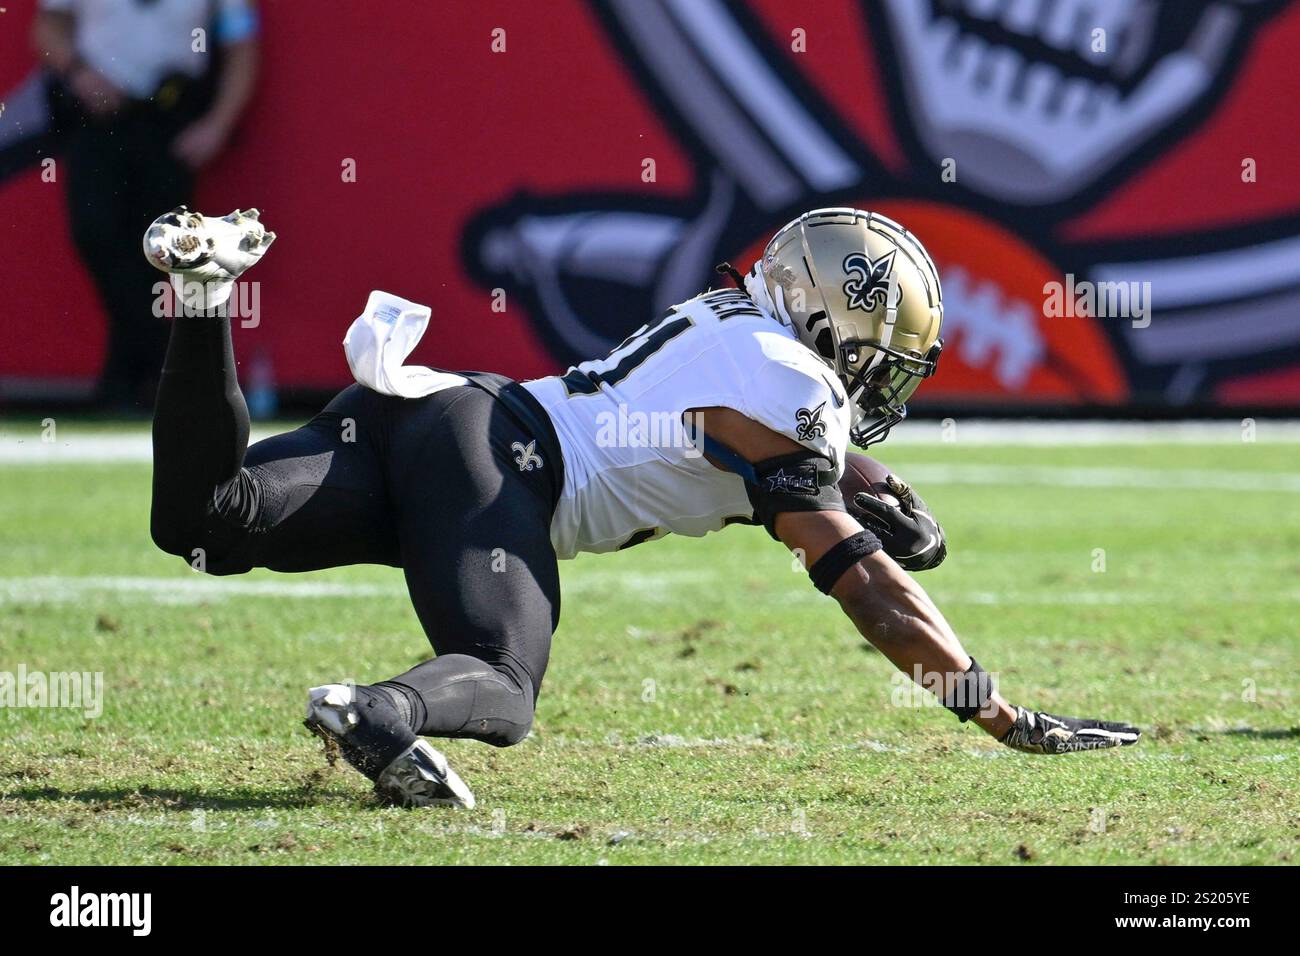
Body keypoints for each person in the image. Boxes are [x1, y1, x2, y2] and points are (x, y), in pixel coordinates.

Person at [143, 205, 1139, 808]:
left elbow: (716, 435)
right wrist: (997, 710)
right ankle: (381, 713)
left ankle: (201, 298)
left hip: (433, 410)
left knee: (207, 520)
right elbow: (855, 579)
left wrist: (872, 488)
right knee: (502, 682)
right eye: (881, 355)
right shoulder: (792, 389)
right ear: (836, 329)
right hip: (504, 467)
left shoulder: (732, 321)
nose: (881, 381)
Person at [30, 0, 260, 409]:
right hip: (97, 117)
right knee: (95, 230)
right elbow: (48, 26)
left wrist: (218, 125)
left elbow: (241, 43)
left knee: (160, 252)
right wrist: (78, 72)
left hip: (169, 118)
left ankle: (124, 386)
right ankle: (157, 369)